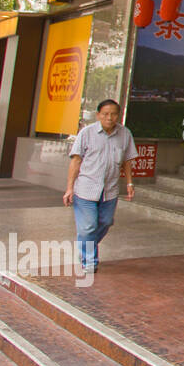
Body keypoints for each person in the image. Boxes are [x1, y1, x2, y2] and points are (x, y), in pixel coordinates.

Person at [64, 99, 138, 275]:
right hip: (85, 189)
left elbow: (127, 161)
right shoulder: (87, 133)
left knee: (105, 222)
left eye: (113, 114)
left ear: (118, 116)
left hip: (110, 190)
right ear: (98, 115)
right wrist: (69, 188)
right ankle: (89, 261)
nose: (109, 118)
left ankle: (85, 245)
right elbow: (75, 161)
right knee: (89, 226)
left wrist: (129, 182)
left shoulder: (125, 134)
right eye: (105, 114)